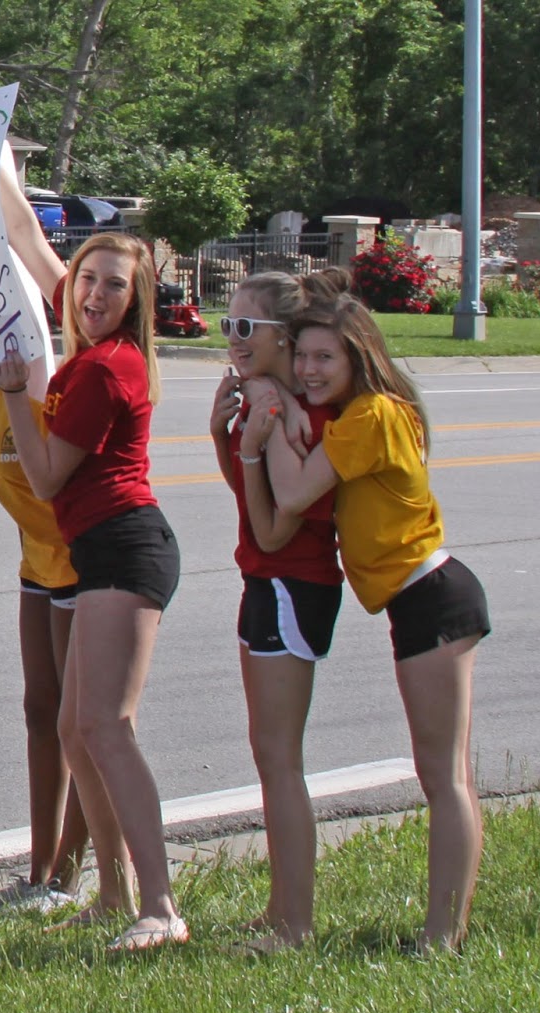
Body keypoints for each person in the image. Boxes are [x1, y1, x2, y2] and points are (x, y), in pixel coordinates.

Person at [0, 82, 181, 951]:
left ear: (136, 297)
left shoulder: (106, 369)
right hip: (97, 551)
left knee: (103, 728)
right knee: (78, 729)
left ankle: (159, 905)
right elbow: (19, 231)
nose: (90, 293)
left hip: (124, 547)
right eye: (85, 277)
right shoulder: (84, 339)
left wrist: (15, 394)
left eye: (112, 285)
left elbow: (47, 477)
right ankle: (115, 897)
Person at [248, 294, 491, 952]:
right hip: (422, 600)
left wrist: (270, 408)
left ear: (360, 356)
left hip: (432, 598)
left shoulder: (375, 415)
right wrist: (287, 399)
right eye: (300, 355)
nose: (310, 367)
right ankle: (445, 928)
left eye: (325, 356)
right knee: (445, 774)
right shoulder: (366, 414)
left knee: (444, 778)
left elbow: (295, 492)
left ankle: (443, 936)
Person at [207, 271, 347, 951]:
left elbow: (274, 529)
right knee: (269, 754)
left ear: (282, 338)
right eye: (227, 325)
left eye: (245, 328)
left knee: (279, 756)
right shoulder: (265, 402)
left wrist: (256, 439)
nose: (232, 339)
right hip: (267, 581)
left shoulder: (298, 417)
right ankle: (279, 906)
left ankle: (294, 923)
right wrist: (223, 434)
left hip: (294, 581)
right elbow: (246, 493)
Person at [0, 261, 89, 911]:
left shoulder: (42, 395)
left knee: (81, 722)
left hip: (86, 563)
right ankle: (38, 871)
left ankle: (72, 874)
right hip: (38, 563)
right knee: (39, 711)